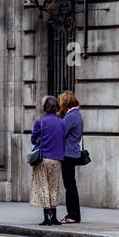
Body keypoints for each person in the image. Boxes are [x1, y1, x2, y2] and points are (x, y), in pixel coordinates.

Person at [29, 95, 65, 225]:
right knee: (54, 186)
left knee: (43, 186)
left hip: (42, 158)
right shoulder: (62, 122)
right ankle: (54, 216)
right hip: (57, 158)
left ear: (45, 107)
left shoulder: (40, 122)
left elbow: (33, 139)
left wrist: (39, 139)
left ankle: (47, 216)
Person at [57, 90, 84, 224]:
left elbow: (61, 132)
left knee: (70, 185)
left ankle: (73, 215)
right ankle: (73, 214)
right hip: (71, 153)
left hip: (68, 154)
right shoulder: (75, 114)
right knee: (70, 184)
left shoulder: (71, 116)